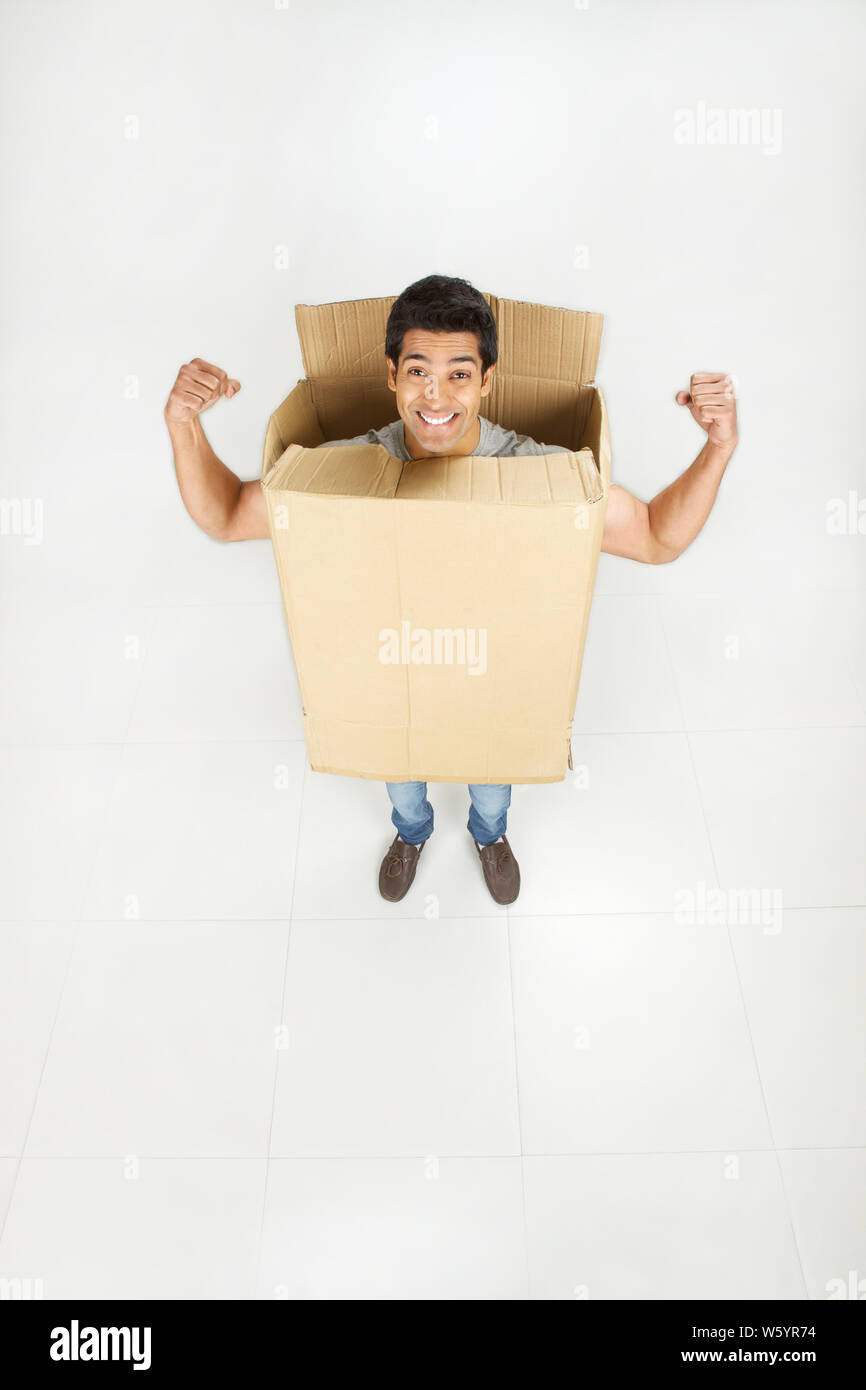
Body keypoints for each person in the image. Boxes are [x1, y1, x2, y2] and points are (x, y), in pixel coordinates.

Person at [164, 274, 738, 907]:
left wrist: (718, 446)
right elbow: (223, 514)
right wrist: (183, 424)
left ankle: (489, 836)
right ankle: (412, 834)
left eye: (459, 373)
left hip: (491, 684)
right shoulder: (346, 471)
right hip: (393, 677)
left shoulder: (534, 476)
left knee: (491, 784)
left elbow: (658, 536)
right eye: (417, 370)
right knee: (402, 778)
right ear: (391, 374)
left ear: (487, 380)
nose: (436, 394)